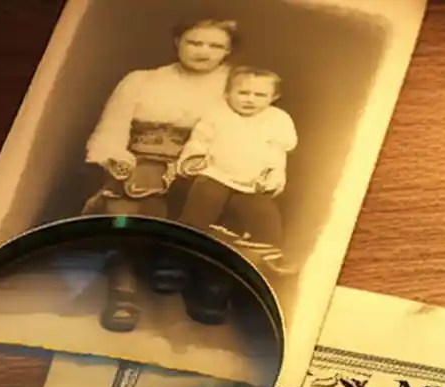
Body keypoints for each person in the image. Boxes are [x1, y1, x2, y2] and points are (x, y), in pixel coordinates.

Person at [81, 19, 236, 331]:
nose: (204, 51)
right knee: (128, 203)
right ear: (177, 42)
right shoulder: (141, 80)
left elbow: (244, 134)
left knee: (214, 200)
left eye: (216, 45)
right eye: (195, 42)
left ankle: (204, 286)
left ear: (228, 51)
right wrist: (119, 161)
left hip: (204, 163)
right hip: (142, 160)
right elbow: (112, 128)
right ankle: (123, 290)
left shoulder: (234, 84)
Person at [175, 66, 297, 270]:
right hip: (215, 172)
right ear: (227, 93)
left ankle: (269, 252)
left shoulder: (278, 119)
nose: (250, 99)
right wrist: (191, 159)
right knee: (204, 198)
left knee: (264, 213)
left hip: (252, 180)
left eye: (260, 95)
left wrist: (275, 174)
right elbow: (199, 141)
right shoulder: (217, 113)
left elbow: (277, 153)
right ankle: (187, 239)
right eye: (243, 93)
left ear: (274, 97)